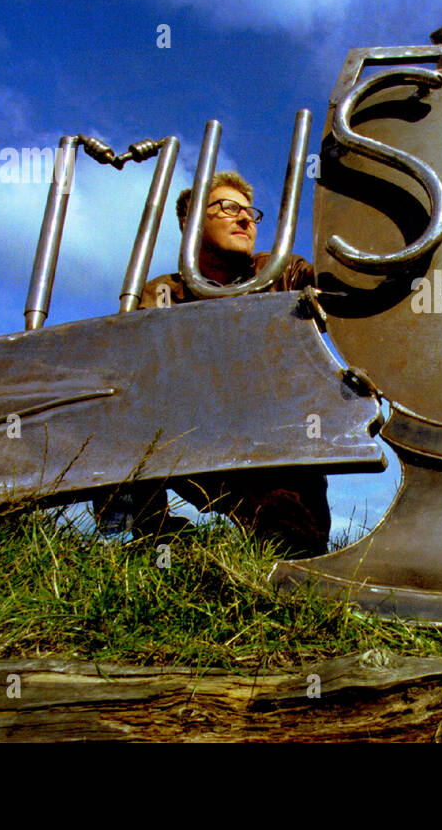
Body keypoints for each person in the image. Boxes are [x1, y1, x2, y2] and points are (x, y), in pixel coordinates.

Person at [93, 171, 331, 556]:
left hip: (272, 443)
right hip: (190, 433)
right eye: (227, 208)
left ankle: (284, 545)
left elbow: (335, 283)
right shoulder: (162, 293)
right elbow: (129, 378)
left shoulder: (279, 273)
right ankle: (155, 536)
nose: (245, 220)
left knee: (295, 550)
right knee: (120, 403)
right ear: (189, 223)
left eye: (251, 213)